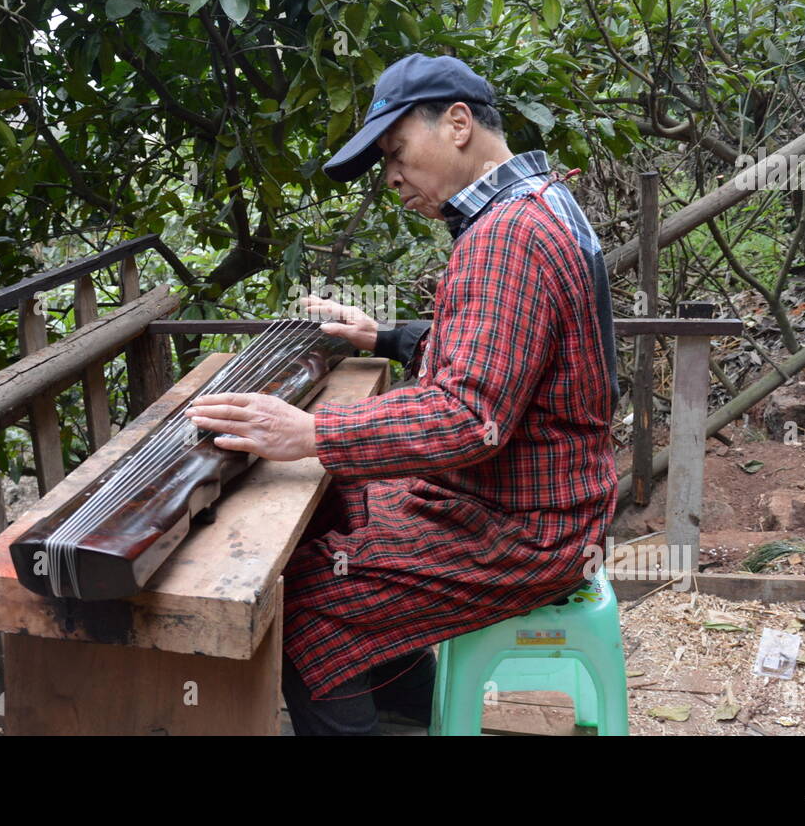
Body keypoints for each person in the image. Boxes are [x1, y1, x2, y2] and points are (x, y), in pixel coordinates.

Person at [186, 53, 619, 735]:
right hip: (545, 501)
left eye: (396, 152)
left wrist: (311, 435)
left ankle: (382, 696)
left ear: (456, 124)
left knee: (304, 603)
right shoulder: (540, 200)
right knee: (337, 512)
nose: (391, 177)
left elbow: (470, 417)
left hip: (524, 527)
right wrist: (384, 336)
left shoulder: (506, 236)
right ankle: (413, 702)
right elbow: (511, 351)